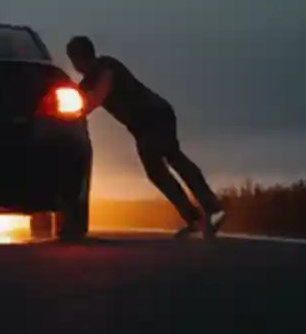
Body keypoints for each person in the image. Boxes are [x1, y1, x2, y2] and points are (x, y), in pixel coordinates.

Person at [66, 35, 226, 238]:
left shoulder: (107, 66)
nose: (76, 65)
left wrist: (76, 111)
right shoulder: (87, 82)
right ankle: (196, 218)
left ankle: (212, 209)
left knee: (173, 159)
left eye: (75, 60)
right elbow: (79, 101)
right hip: (142, 126)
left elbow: (97, 95)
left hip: (156, 115)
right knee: (158, 171)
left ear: (82, 57)